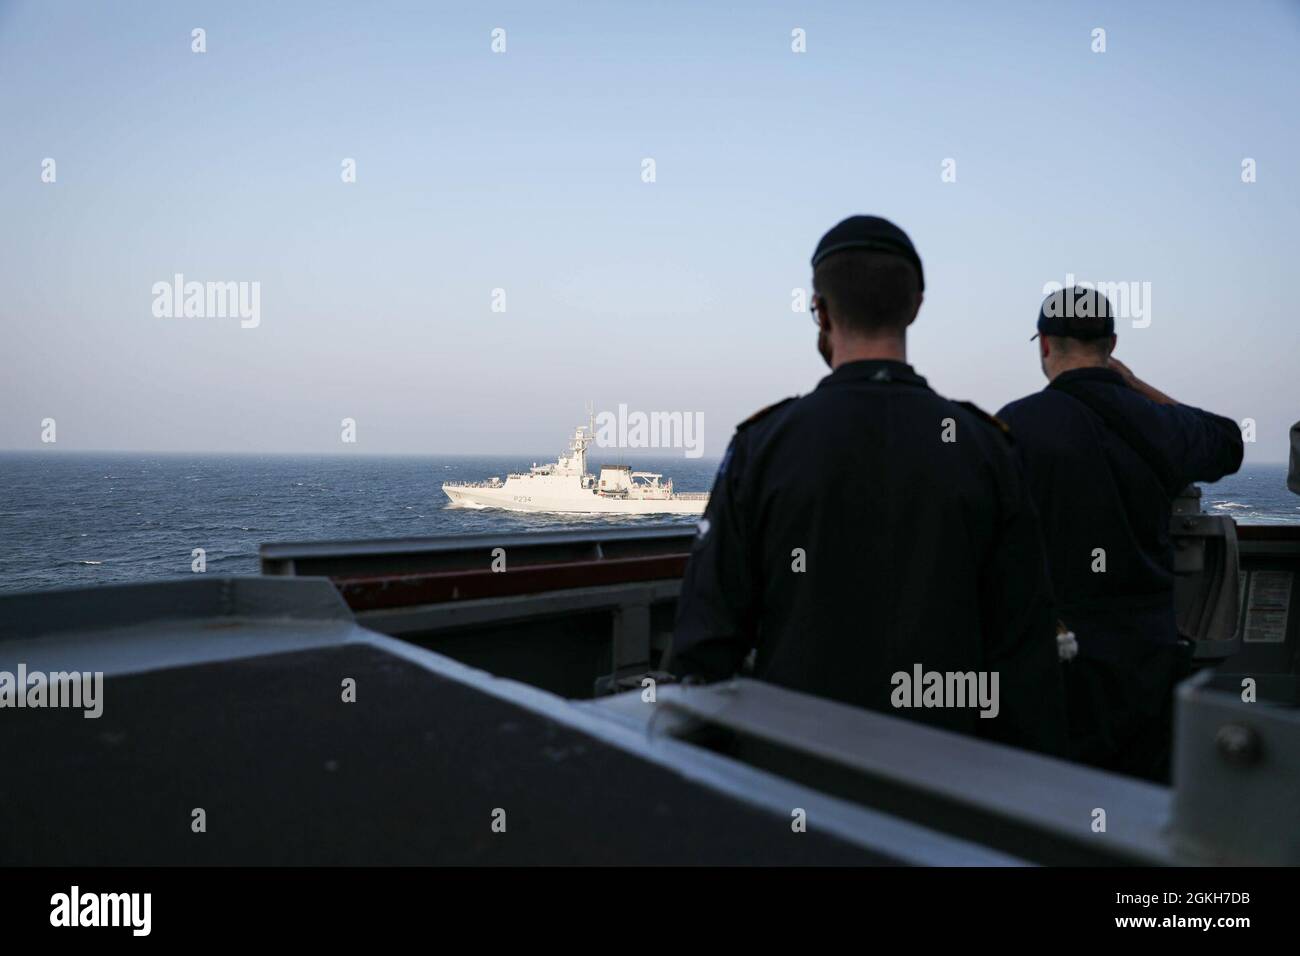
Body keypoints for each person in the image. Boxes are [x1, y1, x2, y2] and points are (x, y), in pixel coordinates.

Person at [671, 216, 1067, 757]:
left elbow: (703, 652)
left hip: (794, 775)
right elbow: (1025, 655)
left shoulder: (762, 446)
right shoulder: (987, 448)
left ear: (822, 312)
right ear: (916, 306)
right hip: (950, 777)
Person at [997, 286, 1244, 781]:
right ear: (1111, 344)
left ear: (1044, 344)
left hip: (1056, 657)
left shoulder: (1013, 424)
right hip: (1146, 660)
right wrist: (1137, 387)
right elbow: (1229, 443)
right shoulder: (1160, 424)